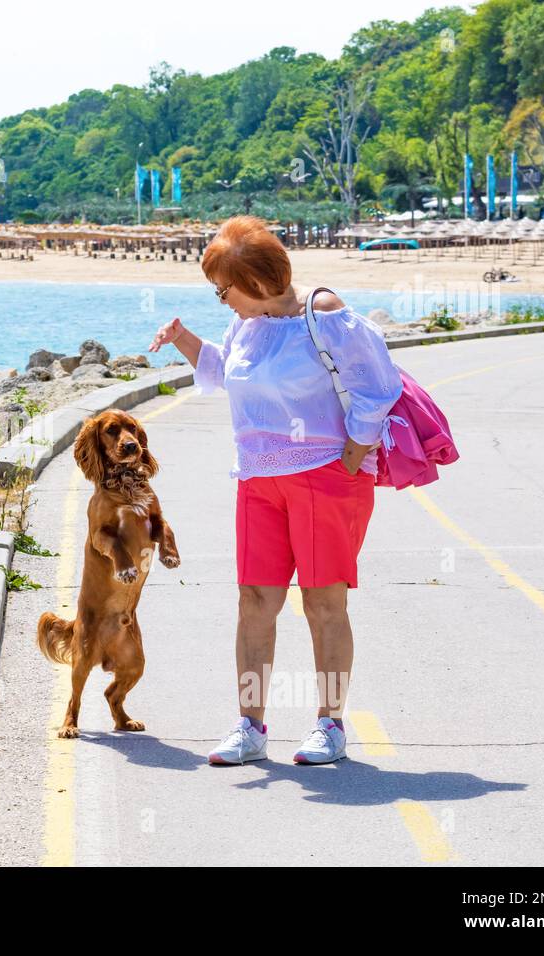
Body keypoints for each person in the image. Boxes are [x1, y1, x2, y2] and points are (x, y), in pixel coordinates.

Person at [148, 216, 402, 765]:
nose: (221, 301)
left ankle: (330, 725)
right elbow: (224, 375)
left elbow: (378, 386)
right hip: (258, 479)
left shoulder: (325, 314)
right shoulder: (249, 323)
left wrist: (354, 456)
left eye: (223, 289)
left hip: (324, 478)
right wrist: (185, 340)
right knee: (254, 601)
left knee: (323, 603)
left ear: (257, 280)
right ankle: (251, 725)